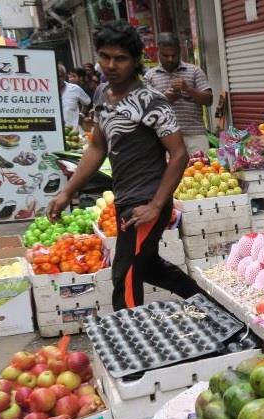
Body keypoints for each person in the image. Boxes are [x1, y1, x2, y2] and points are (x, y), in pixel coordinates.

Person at [47, 21, 201, 310]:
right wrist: (67, 191)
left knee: (125, 274)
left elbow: (179, 155)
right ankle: (208, 305)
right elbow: (97, 147)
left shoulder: (151, 101)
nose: (111, 64)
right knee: (149, 265)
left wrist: (156, 206)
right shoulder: (101, 96)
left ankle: (131, 341)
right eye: (105, 56)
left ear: (135, 61)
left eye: (120, 58)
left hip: (147, 203)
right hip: (125, 199)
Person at [143, 32, 213, 155]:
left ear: (179, 51)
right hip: (164, 136)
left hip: (195, 135)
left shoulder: (195, 71)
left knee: (202, 172)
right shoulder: (150, 76)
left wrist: (188, 89)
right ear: (158, 52)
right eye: (165, 55)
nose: (170, 59)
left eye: (173, 55)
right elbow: (145, 109)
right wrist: (165, 99)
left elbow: (209, 100)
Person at [58, 64, 90, 130]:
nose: (57, 79)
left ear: (64, 76)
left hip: (74, 133)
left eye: (59, 76)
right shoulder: (47, 92)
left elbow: (87, 102)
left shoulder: (75, 88)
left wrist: (81, 115)